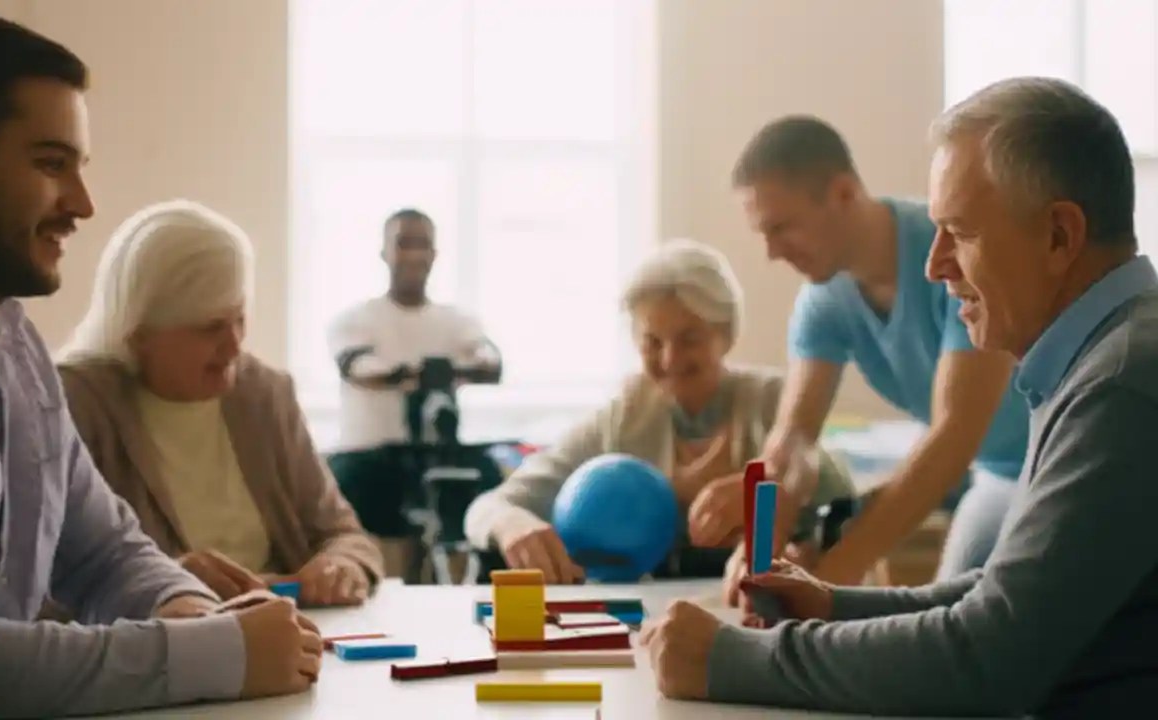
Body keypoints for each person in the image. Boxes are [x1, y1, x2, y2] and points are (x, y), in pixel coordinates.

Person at [643, 77, 1158, 718]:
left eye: (960, 233)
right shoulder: (1107, 358)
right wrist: (834, 605)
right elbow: (1013, 594)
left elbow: (987, 655)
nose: (935, 266)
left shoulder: (1121, 386)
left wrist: (727, 659)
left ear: (1059, 235)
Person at [0, 15, 319, 717]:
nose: (83, 205)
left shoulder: (15, 343)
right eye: (52, 164)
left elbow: (104, 552)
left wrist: (193, 612)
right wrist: (214, 654)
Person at [715, 115, 1031, 596]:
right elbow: (795, 435)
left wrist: (832, 575)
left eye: (782, 228)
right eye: (764, 233)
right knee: (949, 613)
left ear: (843, 193)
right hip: (995, 475)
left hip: (1063, 460)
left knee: (977, 620)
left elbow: (953, 437)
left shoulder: (950, 258)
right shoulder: (823, 301)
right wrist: (766, 525)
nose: (772, 253)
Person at [464, 239, 855, 583]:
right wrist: (512, 525)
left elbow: (844, 501)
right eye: (652, 342)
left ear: (726, 335)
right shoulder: (625, 416)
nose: (670, 359)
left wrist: (778, 502)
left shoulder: (772, 402)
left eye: (689, 339)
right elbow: (489, 506)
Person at [58, 200, 383, 607]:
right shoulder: (76, 404)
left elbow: (344, 533)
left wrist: (342, 565)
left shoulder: (264, 394)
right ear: (139, 333)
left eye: (239, 319)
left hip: (289, 628)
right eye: (210, 327)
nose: (234, 346)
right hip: (168, 638)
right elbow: (44, 580)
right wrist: (161, 582)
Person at [326, 208, 503, 578]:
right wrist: (408, 373)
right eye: (404, 244)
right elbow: (357, 367)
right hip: (371, 458)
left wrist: (469, 366)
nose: (414, 255)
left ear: (434, 254)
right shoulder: (356, 320)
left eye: (423, 245)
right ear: (385, 251)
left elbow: (487, 357)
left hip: (438, 455)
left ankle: (485, 587)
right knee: (342, 486)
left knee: (492, 487)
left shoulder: (456, 322)